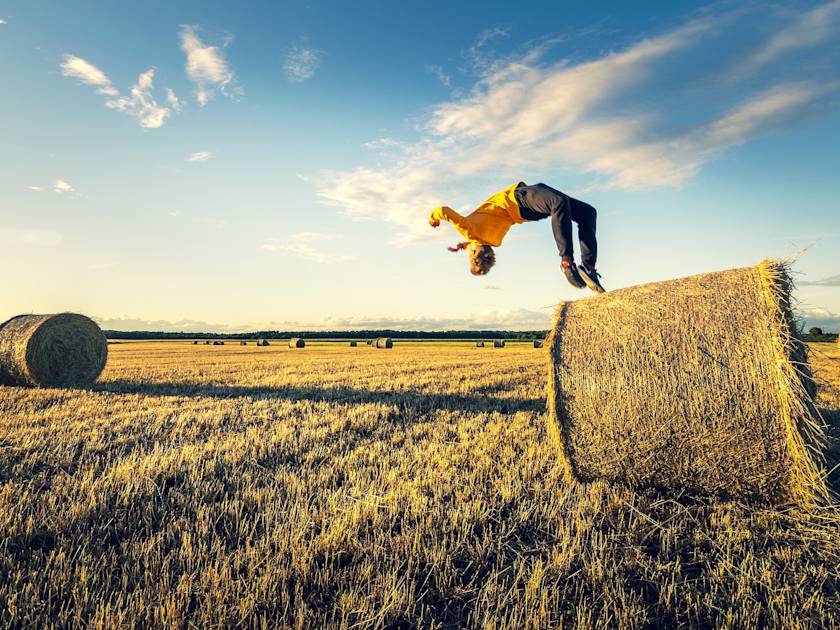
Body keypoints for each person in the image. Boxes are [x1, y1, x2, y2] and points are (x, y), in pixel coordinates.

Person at [428, 181, 605, 292]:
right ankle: (567, 262)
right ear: (474, 254)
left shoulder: (494, 242)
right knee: (559, 202)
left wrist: (466, 245)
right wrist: (433, 219)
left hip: (528, 213)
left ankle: (588, 267)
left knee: (587, 212)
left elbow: (481, 239)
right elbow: (443, 211)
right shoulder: (468, 230)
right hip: (520, 199)